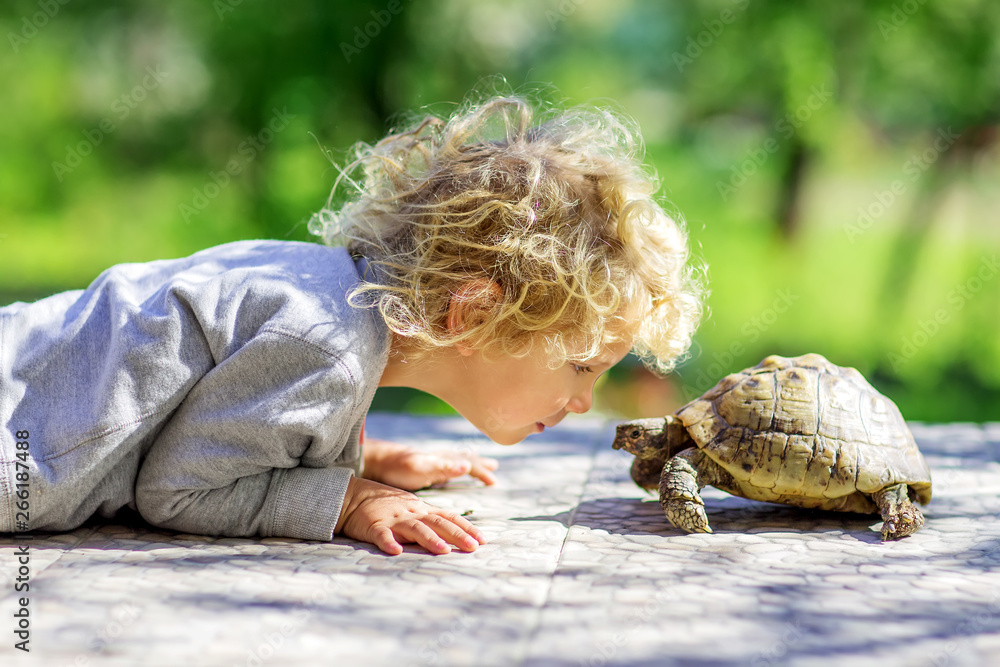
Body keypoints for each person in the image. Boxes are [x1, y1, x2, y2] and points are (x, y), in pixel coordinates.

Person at [0, 95, 703, 556]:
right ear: (477, 314)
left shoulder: (331, 298)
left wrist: (349, 450)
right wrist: (347, 496)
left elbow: (227, 412)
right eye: (581, 365)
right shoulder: (327, 353)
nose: (584, 400)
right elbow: (177, 487)